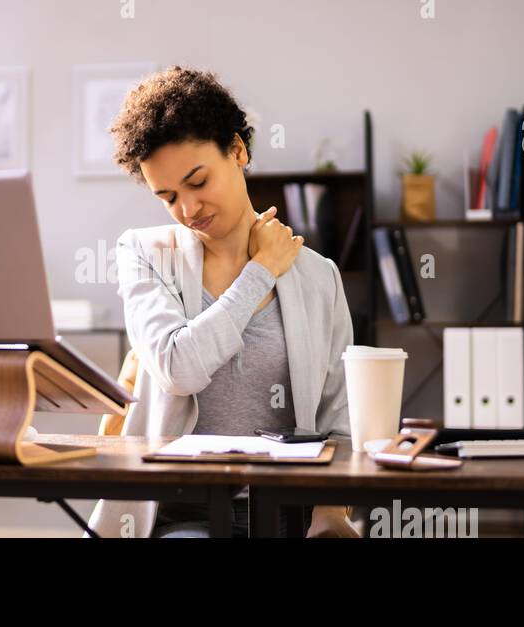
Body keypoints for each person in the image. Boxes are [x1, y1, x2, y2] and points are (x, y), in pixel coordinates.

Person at [86, 66, 358, 538]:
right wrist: (260, 273)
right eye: (168, 196)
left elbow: (340, 418)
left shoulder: (319, 277)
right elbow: (179, 368)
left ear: (237, 150)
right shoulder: (146, 255)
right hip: (181, 513)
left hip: (283, 512)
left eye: (197, 182)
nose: (188, 210)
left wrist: (331, 515)